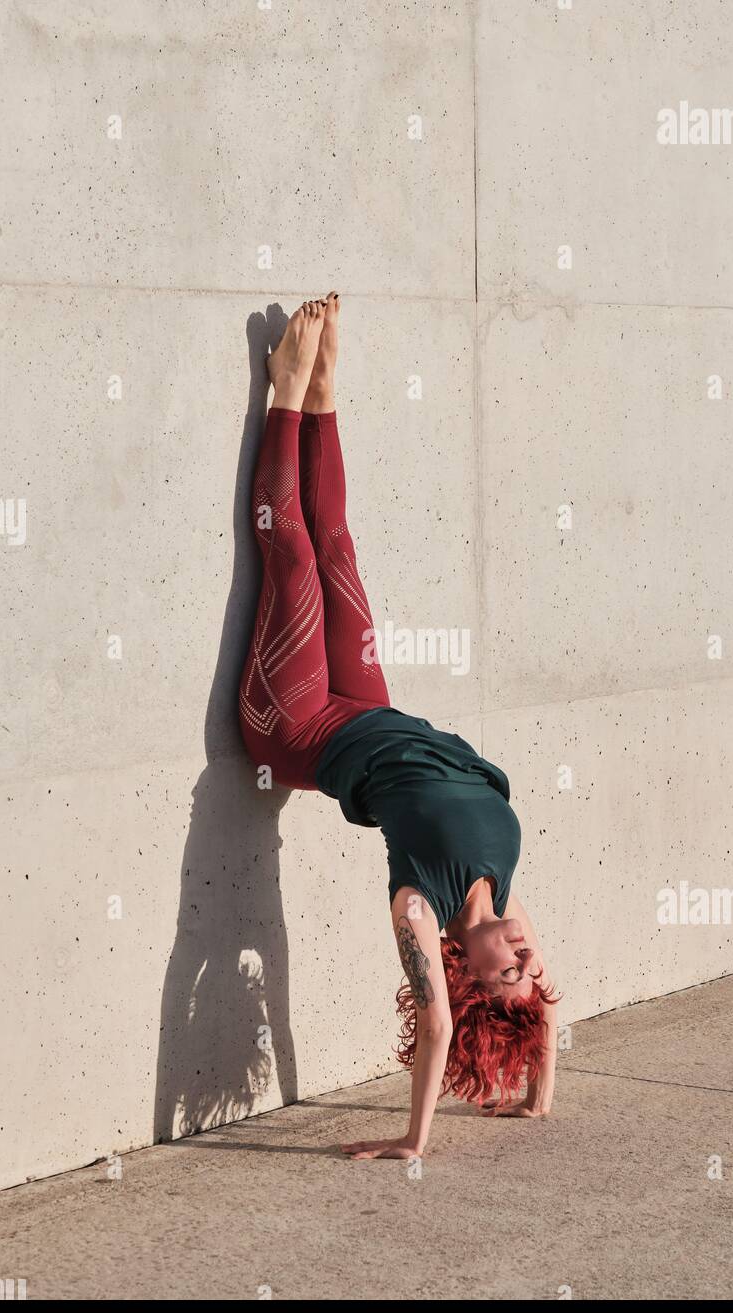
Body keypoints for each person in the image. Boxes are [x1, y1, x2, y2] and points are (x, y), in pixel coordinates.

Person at [239, 295, 559, 1160]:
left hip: (298, 726)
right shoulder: (504, 888)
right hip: (372, 709)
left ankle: (284, 395)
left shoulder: (422, 907)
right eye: (532, 973)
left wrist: (413, 1142)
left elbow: (439, 1024)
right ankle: (325, 394)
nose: (530, 961)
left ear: (468, 966)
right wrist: (535, 1092)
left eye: (511, 973)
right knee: (339, 544)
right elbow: (550, 1009)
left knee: (296, 554)